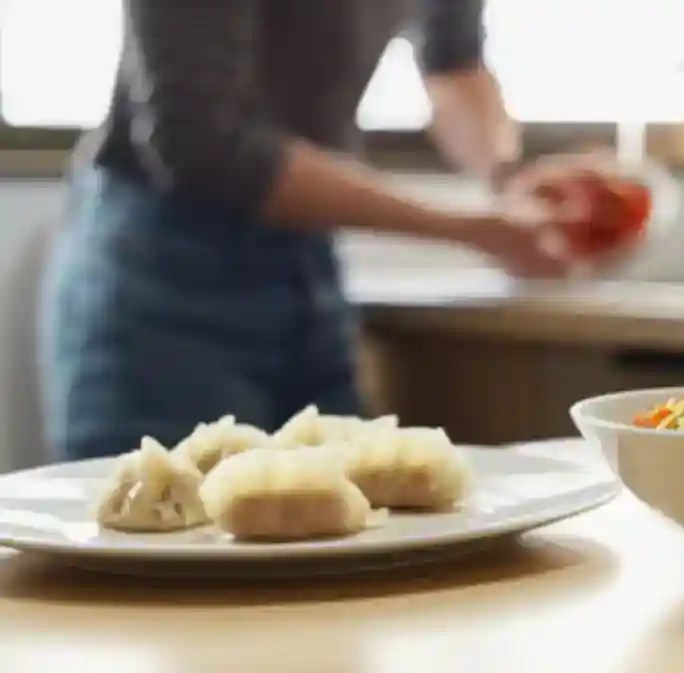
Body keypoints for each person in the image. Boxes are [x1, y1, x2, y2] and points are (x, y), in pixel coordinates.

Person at [41, 0, 601, 460]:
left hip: (306, 266)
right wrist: (475, 229)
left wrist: (511, 184)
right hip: (162, 277)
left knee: (350, 547)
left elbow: (455, 63)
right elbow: (202, 147)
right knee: (167, 564)